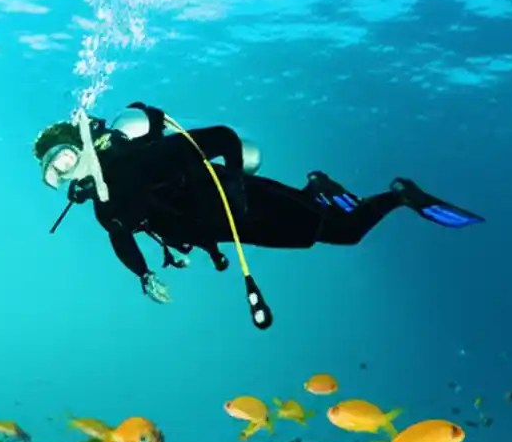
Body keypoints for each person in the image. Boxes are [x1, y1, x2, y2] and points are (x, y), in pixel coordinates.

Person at [33, 101, 484, 315]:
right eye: (55, 173)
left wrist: (237, 188)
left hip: (247, 203)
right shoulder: (104, 208)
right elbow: (120, 237)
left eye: (65, 159)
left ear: (81, 146)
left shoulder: (138, 161)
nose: (66, 172)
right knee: (320, 234)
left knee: (345, 233)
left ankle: (399, 195)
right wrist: (145, 275)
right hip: (238, 229)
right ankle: (315, 189)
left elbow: (223, 137)